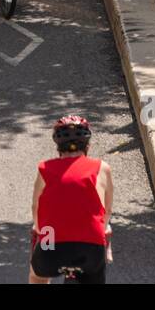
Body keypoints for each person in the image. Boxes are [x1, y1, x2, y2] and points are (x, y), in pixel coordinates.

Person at [29, 115, 114, 284]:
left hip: (50, 243)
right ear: (87, 145)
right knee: (104, 230)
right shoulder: (102, 168)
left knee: (37, 274)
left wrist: (41, 230)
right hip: (90, 249)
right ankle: (105, 252)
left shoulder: (45, 168)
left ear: (58, 145)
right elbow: (107, 211)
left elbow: (36, 209)